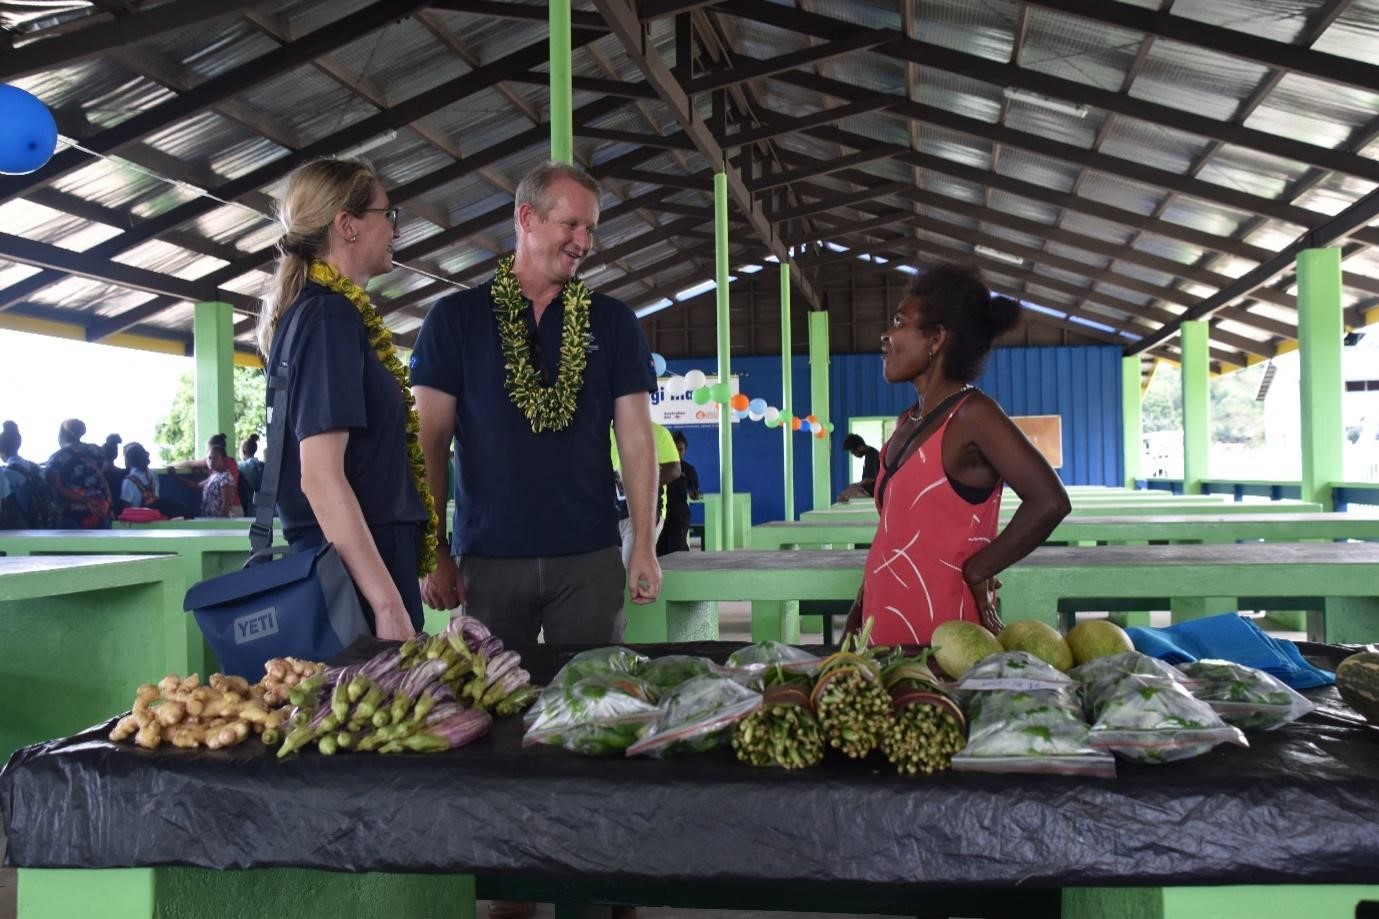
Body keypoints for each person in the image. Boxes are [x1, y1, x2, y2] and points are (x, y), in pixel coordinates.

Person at [413, 160, 661, 653]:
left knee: (595, 701)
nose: (583, 242)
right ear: (527, 218)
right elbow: (430, 443)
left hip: (590, 553)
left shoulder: (612, 321)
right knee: (492, 703)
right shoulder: (455, 318)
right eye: (572, 224)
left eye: (590, 228)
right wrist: (433, 548)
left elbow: (636, 439)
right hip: (487, 556)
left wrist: (645, 548)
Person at [255, 157, 436, 641]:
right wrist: (388, 604)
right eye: (387, 214)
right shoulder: (330, 317)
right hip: (353, 579)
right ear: (348, 225)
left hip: (346, 565)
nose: (395, 231)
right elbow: (319, 476)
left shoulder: (310, 313)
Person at [843, 264, 1070, 646]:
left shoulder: (971, 414)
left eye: (899, 322)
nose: (885, 335)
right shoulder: (905, 423)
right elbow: (891, 534)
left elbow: (1049, 501)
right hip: (881, 620)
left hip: (947, 626)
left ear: (936, 340)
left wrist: (980, 569)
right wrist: (856, 616)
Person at [611, 420, 679, 570]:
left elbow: (674, 470)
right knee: (612, 572)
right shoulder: (603, 434)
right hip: (613, 514)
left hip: (646, 513)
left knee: (630, 567)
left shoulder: (658, 433)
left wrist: (638, 485)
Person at [45, 418, 113, 528]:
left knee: (75, 545)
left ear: (63, 435)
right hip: (101, 510)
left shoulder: (58, 457)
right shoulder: (97, 451)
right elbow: (108, 471)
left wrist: (86, 500)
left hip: (75, 515)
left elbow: (58, 487)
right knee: (101, 545)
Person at [121, 442, 196, 519]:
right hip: (156, 515)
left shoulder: (128, 481)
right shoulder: (153, 475)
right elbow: (156, 496)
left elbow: (126, 508)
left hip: (138, 519)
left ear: (129, 461)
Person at [657, 430, 701, 556]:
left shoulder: (689, 469)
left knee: (677, 549)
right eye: (674, 448)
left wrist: (695, 494)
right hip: (661, 515)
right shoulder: (658, 467)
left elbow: (695, 491)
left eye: (680, 449)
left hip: (680, 516)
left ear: (685, 450)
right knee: (660, 551)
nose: (677, 452)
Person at [836, 433, 881, 502]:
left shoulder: (871, 454)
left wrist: (856, 485)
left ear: (860, 447)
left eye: (853, 452)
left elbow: (870, 479)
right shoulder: (870, 453)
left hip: (871, 492)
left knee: (841, 497)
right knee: (847, 491)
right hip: (868, 490)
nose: (854, 455)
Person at [200, 444, 236, 517]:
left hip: (217, 522)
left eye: (215, 458)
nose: (211, 461)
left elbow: (225, 505)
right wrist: (176, 477)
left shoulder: (225, 478)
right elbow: (197, 485)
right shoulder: (213, 476)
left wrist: (220, 524)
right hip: (208, 520)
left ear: (223, 459)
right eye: (209, 458)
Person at [239, 433, 264, 513]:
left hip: (249, 507)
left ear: (243, 451)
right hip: (265, 507)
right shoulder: (262, 465)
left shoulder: (241, 466)